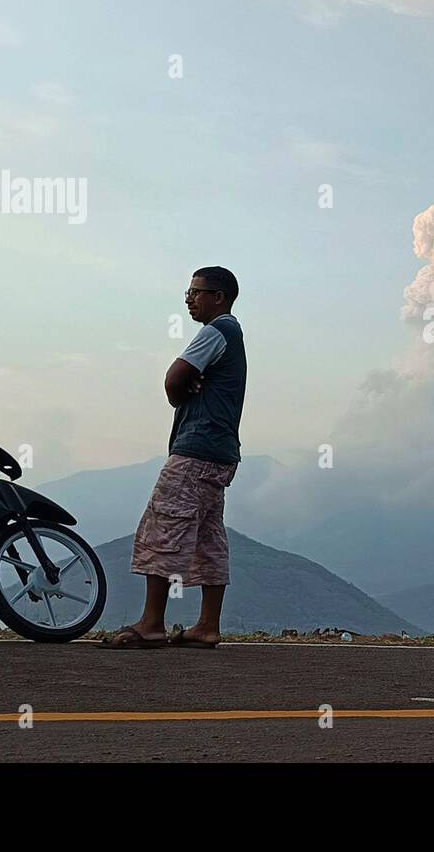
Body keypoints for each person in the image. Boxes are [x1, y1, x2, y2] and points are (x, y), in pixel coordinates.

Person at [104, 267, 247, 650]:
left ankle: (151, 624)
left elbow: (173, 378)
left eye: (196, 292)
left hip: (195, 449)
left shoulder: (218, 331)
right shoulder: (232, 336)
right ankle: (207, 626)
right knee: (208, 537)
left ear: (219, 297)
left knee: (162, 528)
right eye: (188, 291)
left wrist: (180, 392)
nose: (188, 298)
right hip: (220, 454)